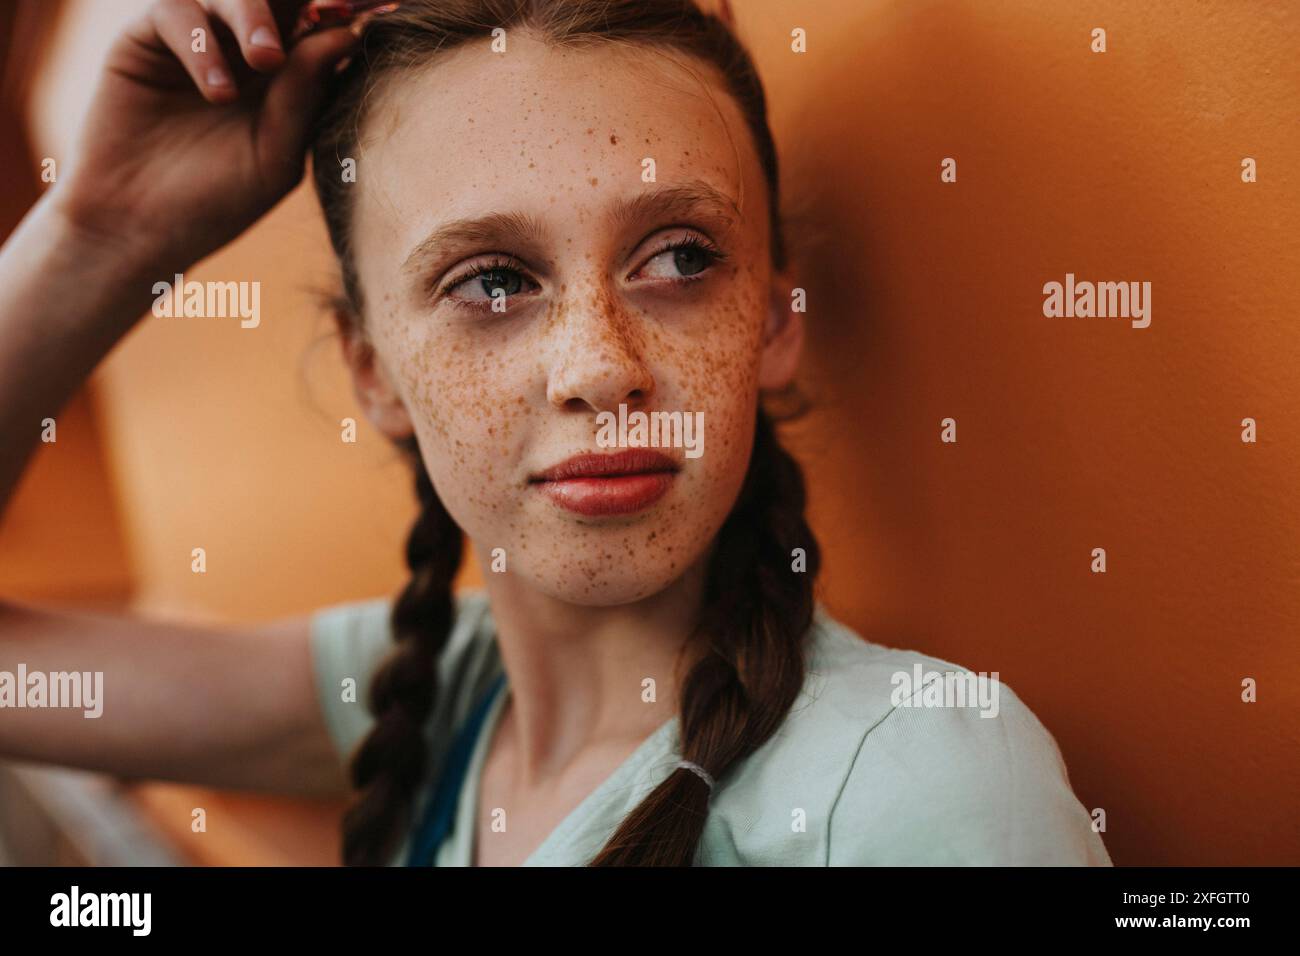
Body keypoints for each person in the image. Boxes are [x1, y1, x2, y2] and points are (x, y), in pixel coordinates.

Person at [0, 0, 1111, 866]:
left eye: (679, 256)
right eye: (492, 280)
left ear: (774, 321)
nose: (599, 366)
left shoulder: (918, 784)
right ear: (373, 371)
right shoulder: (439, 692)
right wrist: (105, 229)